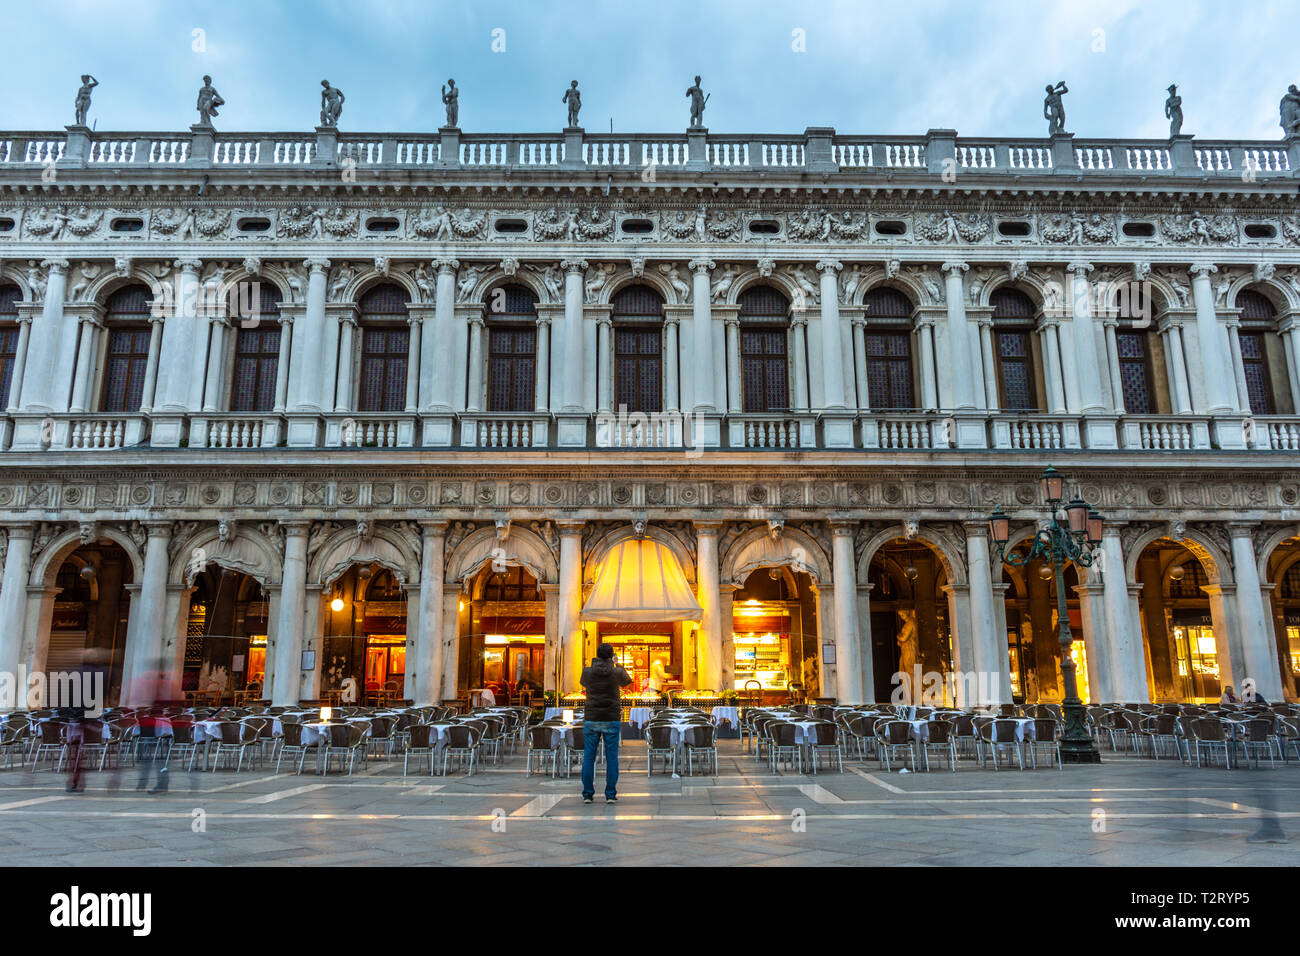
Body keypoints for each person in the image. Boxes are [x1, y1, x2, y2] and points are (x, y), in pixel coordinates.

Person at [579, 643, 631, 804]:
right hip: (611, 717)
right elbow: (627, 681)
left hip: (592, 718)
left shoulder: (587, 672)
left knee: (588, 757)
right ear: (611, 655)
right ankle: (610, 794)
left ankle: (588, 794)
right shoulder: (616, 672)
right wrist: (618, 664)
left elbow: (583, 683)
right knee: (612, 757)